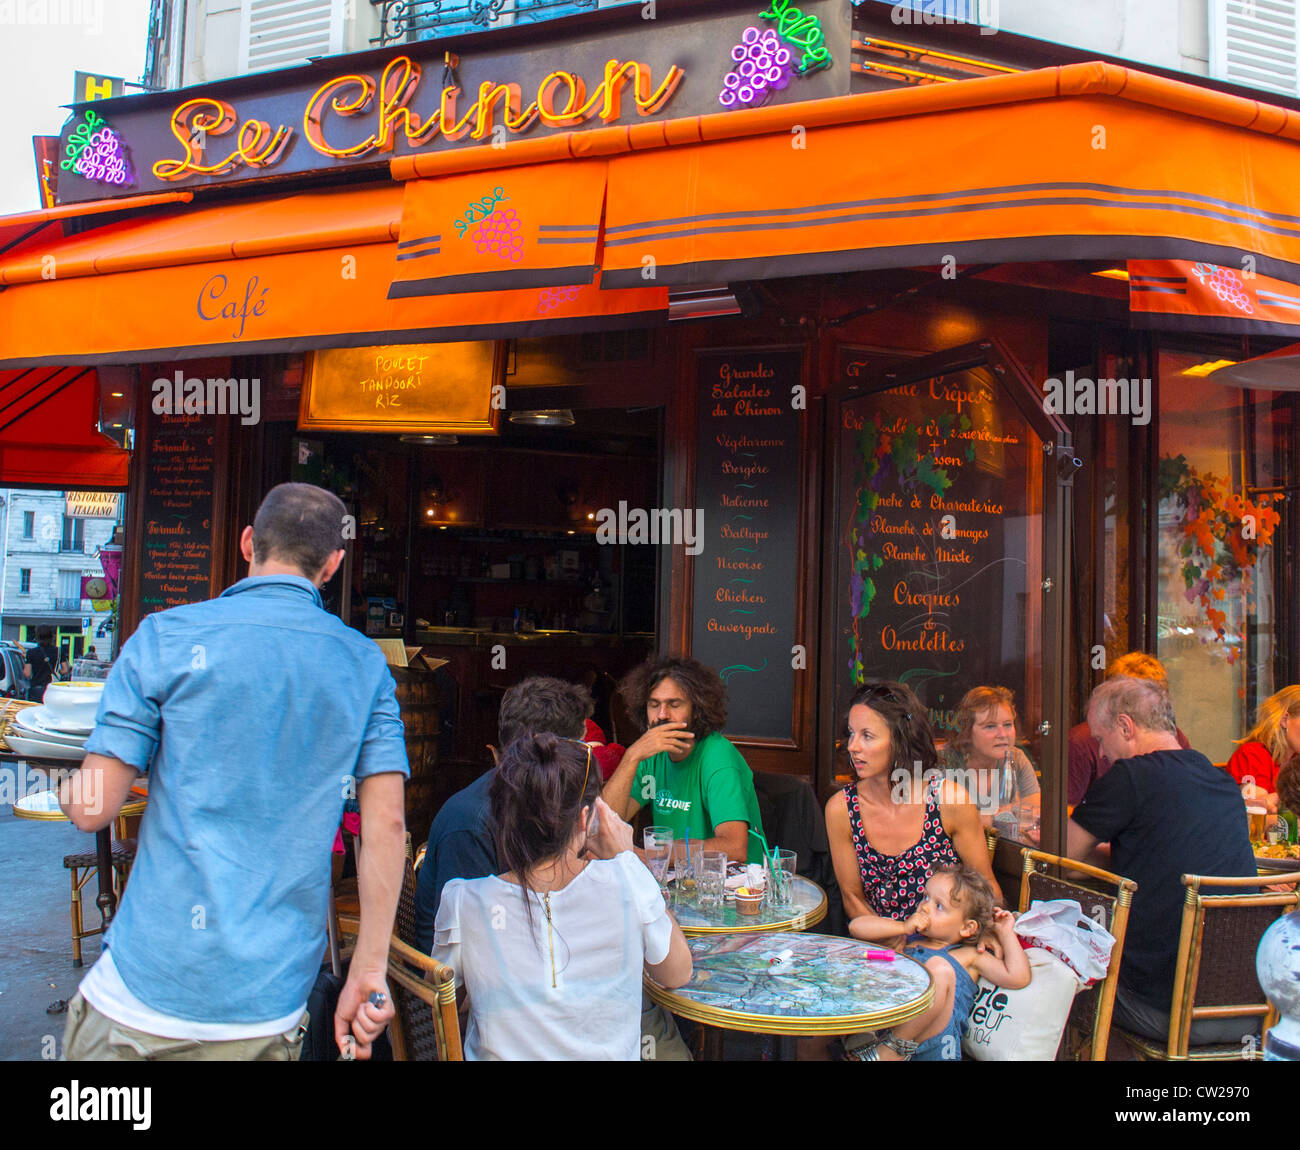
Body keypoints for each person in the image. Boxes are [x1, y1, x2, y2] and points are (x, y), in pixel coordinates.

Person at [59, 483, 408, 1061]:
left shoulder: (166, 637)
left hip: (139, 993)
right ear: (332, 565)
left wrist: (67, 775)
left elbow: (93, 807)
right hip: (264, 1006)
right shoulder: (364, 665)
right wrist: (368, 970)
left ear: (249, 543)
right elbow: (386, 827)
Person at [432, 733, 693, 1060]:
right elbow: (677, 974)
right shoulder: (628, 882)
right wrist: (628, 860)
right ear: (585, 818)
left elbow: (442, 1002)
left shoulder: (462, 900)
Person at [1067, 676, 1257, 1045]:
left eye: (1101, 739)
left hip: (1162, 1014)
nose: (1102, 754)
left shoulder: (1130, 776)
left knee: (1057, 968)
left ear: (1125, 726)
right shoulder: (1220, 780)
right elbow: (1164, 850)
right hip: (1245, 1011)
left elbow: (1065, 860)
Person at [413, 675, 592, 954]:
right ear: (548, 753)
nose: (586, 760)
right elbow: (473, 948)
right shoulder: (472, 823)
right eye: (583, 749)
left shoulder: (541, 804)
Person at [827, 680, 1003, 946]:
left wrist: (988, 934)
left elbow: (986, 887)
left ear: (900, 740)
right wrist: (894, 939)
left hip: (947, 948)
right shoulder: (841, 809)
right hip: (882, 947)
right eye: (851, 733)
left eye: (867, 735)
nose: (852, 746)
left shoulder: (948, 801)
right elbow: (852, 897)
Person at [852, 866, 1030, 1061]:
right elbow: (856, 927)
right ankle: (877, 1040)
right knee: (869, 957)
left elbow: (1018, 977)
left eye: (939, 906)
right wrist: (901, 927)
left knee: (940, 968)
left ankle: (894, 1048)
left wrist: (1006, 933)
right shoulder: (908, 939)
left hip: (933, 1050)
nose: (924, 907)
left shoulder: (970, 955)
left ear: (967, 927)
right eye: (925, 897)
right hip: (887, 1035)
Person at [603, 655, 764, 864]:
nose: (662, 715)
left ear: (696, 710)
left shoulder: (717, 757)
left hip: (732, 885)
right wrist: (631, 757)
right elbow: (607, 823)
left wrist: (655, 856)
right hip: (679, 880)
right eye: (654, 705)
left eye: (674, 704)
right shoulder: (650, 753)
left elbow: (734, 847)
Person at [1067, 652, 1190, 806]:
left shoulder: (1174, 737)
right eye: (1134, 699)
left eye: (1156, 699)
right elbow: (1065, 813)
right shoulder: (1081, 742)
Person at [939, 686, 1040, 825]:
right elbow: (947, 823)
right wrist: (1006, 813)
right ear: (967, 731)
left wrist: (984, 819)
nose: (1003, 734)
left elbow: (1034, 813)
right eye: (990, 726)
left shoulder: (1017, 758)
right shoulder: (943, 762)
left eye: (1008, 725)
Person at [1226, 685, 1300, 813]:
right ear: (1284, 720)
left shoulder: (1295, 759)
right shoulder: (1251, 755)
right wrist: (1291, 797)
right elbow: (1256, 811)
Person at [23, 625, 58, 702]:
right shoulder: (58, 651)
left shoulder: (31, 653)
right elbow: (65, 669)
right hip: (54, 690)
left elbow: (27, 673)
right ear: (51, 636)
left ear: (37, 637)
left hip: (37, 690)